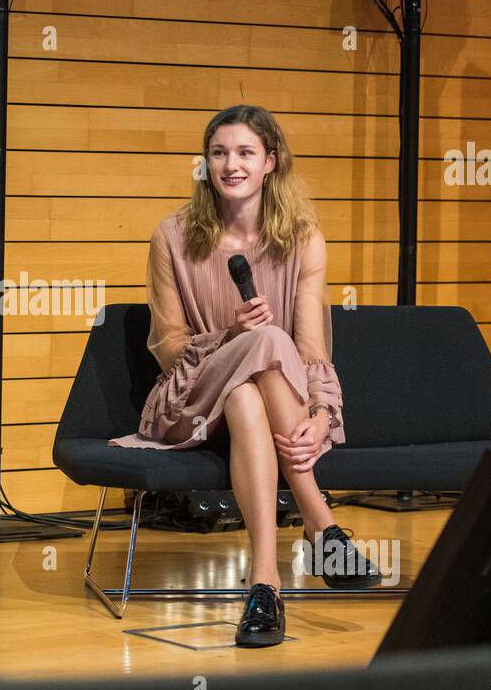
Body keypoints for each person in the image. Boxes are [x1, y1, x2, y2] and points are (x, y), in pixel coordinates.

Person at [110, 104, 381, 648]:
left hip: (260, 401)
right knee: (266, 339)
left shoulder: (304, 240)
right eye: (218, 153)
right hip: (187, 398)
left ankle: (264, 585)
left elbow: (311, 346)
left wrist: (324, 414)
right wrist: (233, 335)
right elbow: (168, 348)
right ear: (206, 163)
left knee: (247, 392)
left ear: (270, 163)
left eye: (244, 153)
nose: (230, 164)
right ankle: (321, 524)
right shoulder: (172, 236)